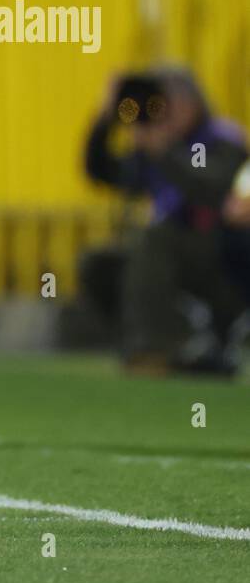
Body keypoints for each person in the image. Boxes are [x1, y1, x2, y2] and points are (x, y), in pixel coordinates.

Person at [83, 67, 249, 376]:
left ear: (190, 103)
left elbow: (211, 189)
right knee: (99, 265)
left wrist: (165, 152)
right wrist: (105, 118)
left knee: (156, 238)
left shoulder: (221, 139)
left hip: (223, 260)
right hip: (170, 260)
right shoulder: (156, 148)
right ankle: (154, 343)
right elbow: (100, 171)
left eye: (165, 103)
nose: (159, 112)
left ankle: (160, 348)